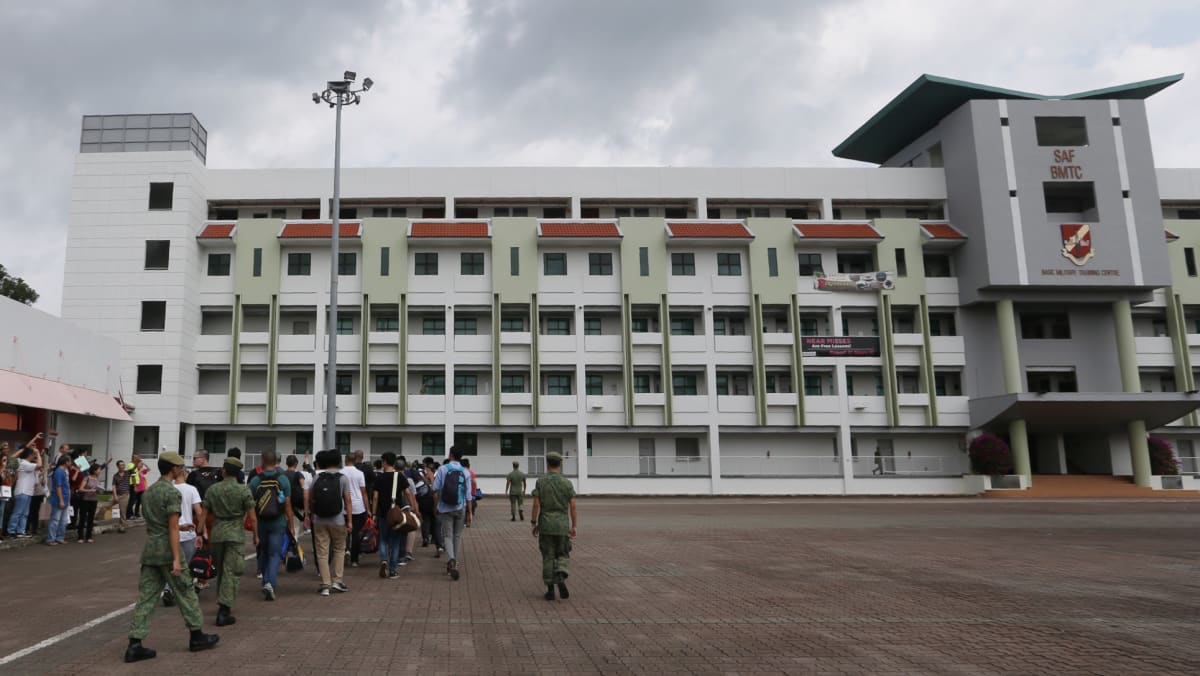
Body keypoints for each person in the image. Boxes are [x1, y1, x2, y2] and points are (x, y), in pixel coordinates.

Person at [123, 452, 219, 663]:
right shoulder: (171, 493)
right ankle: (196, 635)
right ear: (174, 469)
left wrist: (180, 526)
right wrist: (177, 558)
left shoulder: (149, 492)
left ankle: (135, 643)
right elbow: (173, 527)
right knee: (186, 591)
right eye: (179, 467)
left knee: (147, 596)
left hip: (150, 550)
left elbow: (161, 523)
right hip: (168, 549)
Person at [202, 457, 256, 627]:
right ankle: (224, 609)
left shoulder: (212, 490)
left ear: (223, 471)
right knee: (231, 571)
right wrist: (256, 534)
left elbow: (203, 513)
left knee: (221, 570)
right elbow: (253, 517)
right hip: (235, 534)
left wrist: (200, 532)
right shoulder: (244, 490)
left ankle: (223, 602)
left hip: (217, 534)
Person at [530, 451, 578, 601]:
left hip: (545, 524)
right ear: (560, 464)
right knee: (563, 553)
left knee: (548, 556)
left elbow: (536, 504)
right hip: (562, 524)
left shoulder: (541, 482)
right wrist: (574, 525)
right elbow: (573, 506)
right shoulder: (567, 483)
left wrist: (534, 522)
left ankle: (550, 590)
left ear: (547, 463)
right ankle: (561, 574)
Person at [305, 450, 353, 596]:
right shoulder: (343, 478)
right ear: (338, 461)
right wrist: (349, 520)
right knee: (339, 549)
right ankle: (337, 581)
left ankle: (325, 584)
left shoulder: (317, 477)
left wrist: (312, 514)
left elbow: (310, 498)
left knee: (322, 552)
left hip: (319, 519)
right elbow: (347, 501)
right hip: (337, 519)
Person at [248, 450, 293, 602]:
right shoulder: (283, 479)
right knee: (274, 553)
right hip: (278, 522)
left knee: (263, 551)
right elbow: (287, 504)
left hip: (261, 522)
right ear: (276, 462)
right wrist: (291, 524)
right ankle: (269, 582)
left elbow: (250, 505)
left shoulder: (255, 480)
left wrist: (253, 529)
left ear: (262, 461)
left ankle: (265, 578)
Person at [163, 465, 205, 607]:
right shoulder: (191, 489)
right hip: (188, 532)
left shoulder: (169, 489)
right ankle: (184, 592)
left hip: (171, 532)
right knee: (186, 566)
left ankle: (168, 588)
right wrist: (202, 531)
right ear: (185, 473)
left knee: (172, 563)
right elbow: (199, 512)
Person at [371, 452, 417, 579]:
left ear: (384, 462)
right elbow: (408, 493)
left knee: (383, 539)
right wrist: (412, 507)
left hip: (382, 513)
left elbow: (375, 497)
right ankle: (392, 570)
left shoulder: (379, 477)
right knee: (396, 541)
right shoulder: (400, 476)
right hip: (397, 514)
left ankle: (384, 559)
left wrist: (374, 513)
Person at [431, 446, 474, 581]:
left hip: (445, 508)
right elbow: (468, 495)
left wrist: (437, 505)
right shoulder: (465, 472)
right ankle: (455, 561)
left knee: (447, 536)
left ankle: (451, 560)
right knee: (457, 535)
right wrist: (470, 513)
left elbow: (435, 488)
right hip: (460, 507)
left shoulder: (443, 469)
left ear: (450, 455)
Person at [6, 439, 43, 539]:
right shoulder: (23, 463)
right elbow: (39, 465)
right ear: (29, 455)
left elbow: (36, 479)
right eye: (33, 455)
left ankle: (20, 531)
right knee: (18, 512)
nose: (34, 456)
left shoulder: (28, 464)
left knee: (25, 513)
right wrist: (38, 453)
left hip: (28, 492)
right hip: (22, 491)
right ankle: (11, 531)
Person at [341, 454, 369, 568]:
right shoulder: (360, 473)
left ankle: (344, 552)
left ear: (345, 460)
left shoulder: (340, 472)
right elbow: (364, 493)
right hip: (358, 506)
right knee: (356, 533)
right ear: (356, 460)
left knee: (343, 533)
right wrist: (368, 508)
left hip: (343, 506)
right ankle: (354, 559)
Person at [46, 455, 71, 545]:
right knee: (55, 519)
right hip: (59, 499)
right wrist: (61, 500)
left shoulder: (63, 471)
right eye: (69, 461)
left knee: (63, 520)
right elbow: (58, 486)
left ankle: (59, 537)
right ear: (66, 462)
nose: (70, 463)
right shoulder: (59, 472)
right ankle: (51, 538)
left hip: (65, 498)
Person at [76, 464, 102, 543]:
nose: (100, 471)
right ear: (94, 470)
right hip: (85, 500)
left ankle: (89, 536)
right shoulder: (86, 478)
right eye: (98, 469)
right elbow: (80, 489)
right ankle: (80, 536)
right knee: (83, 517)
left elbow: (98, 489)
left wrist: (99, 491)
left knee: (91, 518)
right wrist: (89, 490)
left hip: (94, 500)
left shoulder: (97, 479)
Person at [283, 454, 306, 537]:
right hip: (296, 507)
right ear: (296, 464)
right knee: (294, 530)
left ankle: (285, 548)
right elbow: (304, 489)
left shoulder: (281, 475)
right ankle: (293, 547)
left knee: (285, 530)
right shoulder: (298, 475)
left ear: (286, 463)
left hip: (283, 506)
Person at [112, 461, 132, 533]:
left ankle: (122, 527)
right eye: (121, 465)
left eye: (123, 465)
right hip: (117, 494)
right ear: (118, 466)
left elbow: (135, 467)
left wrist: (136, 461)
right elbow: (114, 486)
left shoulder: (127, 473)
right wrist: (115, 496)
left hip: (125, 495)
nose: (122, 466)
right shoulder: (115, 476)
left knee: (123, 512)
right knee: (107, 506)